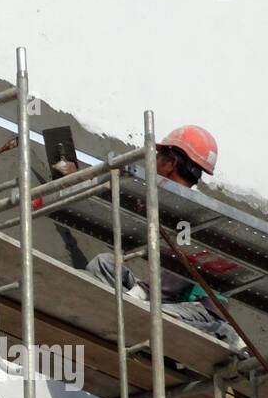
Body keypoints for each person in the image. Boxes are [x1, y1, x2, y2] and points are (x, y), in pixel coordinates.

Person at [82, 125, 239, 348]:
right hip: (163, 299)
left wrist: (138, 294)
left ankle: (222, 333)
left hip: (199, 307)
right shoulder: (164, 202)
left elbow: (181, 269)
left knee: (153, 317)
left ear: (170, 163)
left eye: (158, 156)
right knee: (104, 264)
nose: (153, 162)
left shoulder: (193, 210)